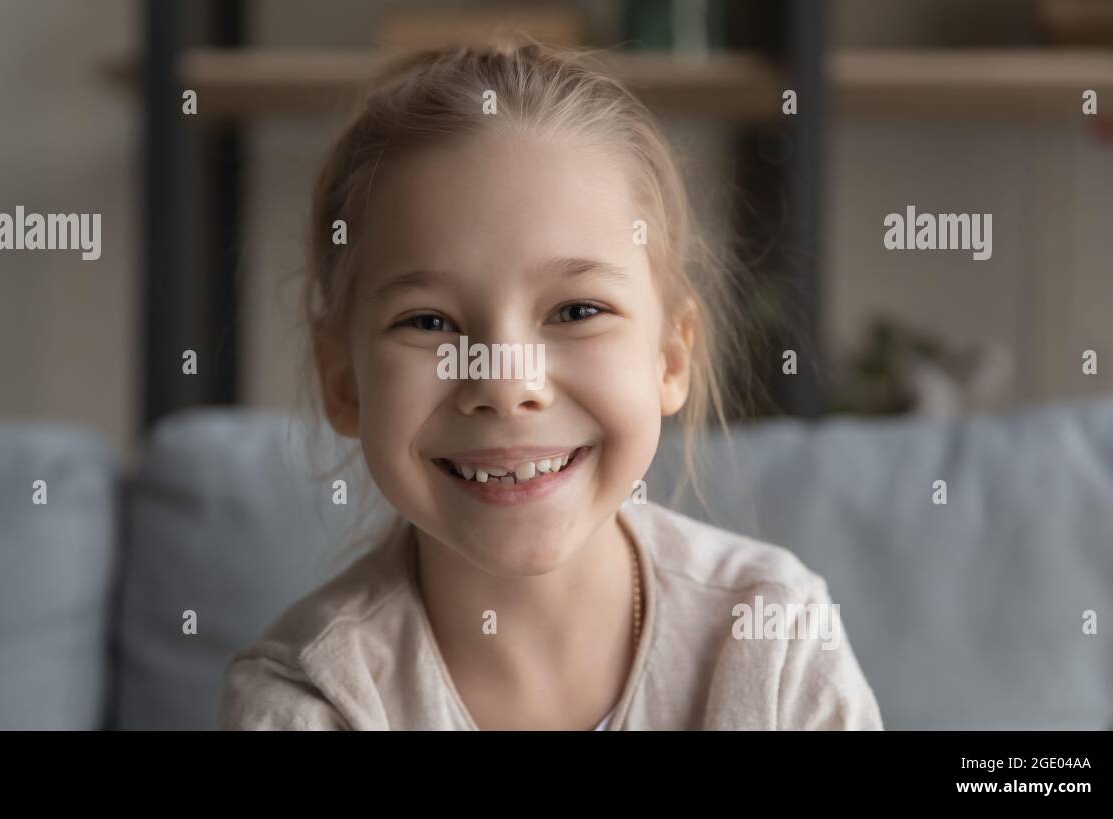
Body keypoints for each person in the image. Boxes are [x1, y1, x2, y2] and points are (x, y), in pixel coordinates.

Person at [220, 39, 882, 730]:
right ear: (343, 382)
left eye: (576, 311)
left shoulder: (776, 640)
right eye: (429, 321)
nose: (506, 384)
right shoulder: (310, 694)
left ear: (670, 357)